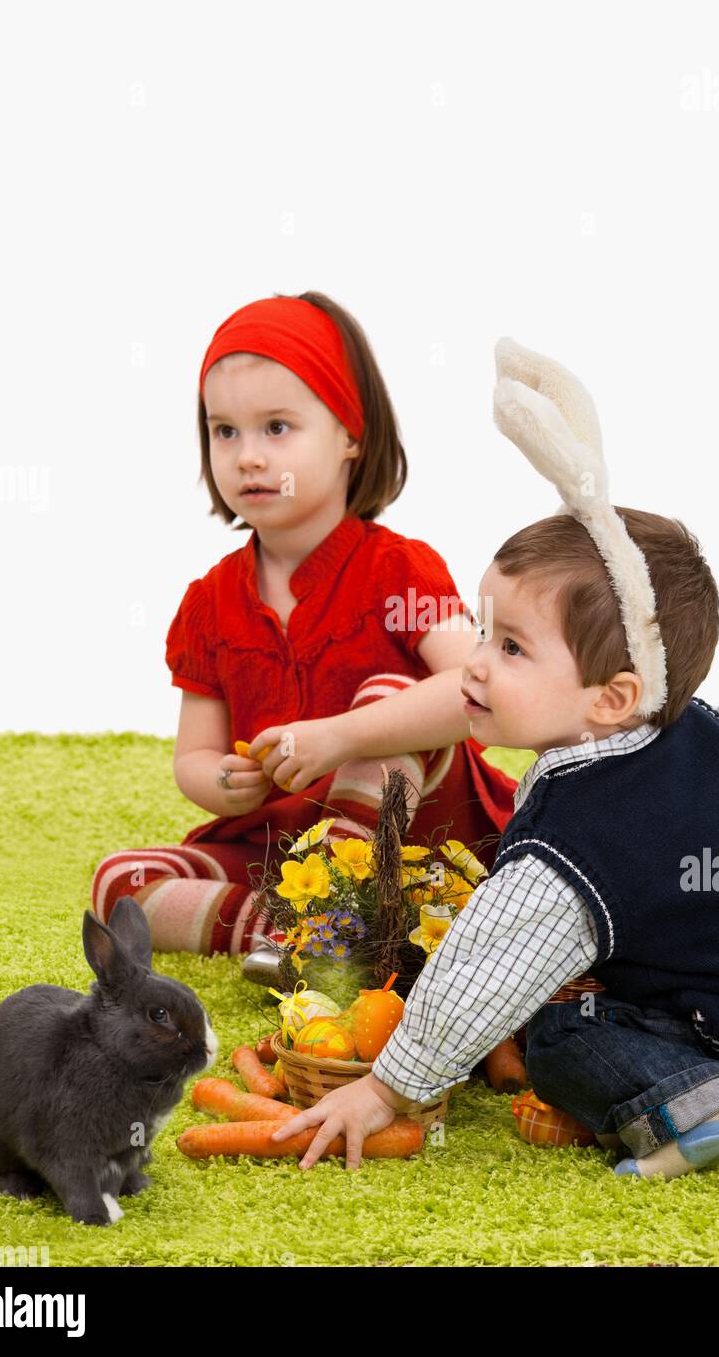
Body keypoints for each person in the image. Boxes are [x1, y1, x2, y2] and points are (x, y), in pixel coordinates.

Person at [268, 339, 719, 1178]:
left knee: (557, 1026)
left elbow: (486, 968)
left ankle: (695, 1102)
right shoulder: (703, 729)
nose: (472, 663)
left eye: (509, 647)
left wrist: (389, 1087)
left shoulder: (577, 842)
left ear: (610, 699)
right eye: (480, 631)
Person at [90, 293, 517, 955]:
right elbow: (194, 758)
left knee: (385, 696)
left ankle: (342, 912)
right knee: (122, 882)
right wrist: (227, 786)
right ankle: (297, 932)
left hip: (426, 839)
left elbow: (476, 686)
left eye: (277, 427)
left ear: (352, 434)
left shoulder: (396, 570)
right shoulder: (210, 602)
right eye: (224, 431)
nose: (248, 457)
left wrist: (338, 738)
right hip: (286, 853)